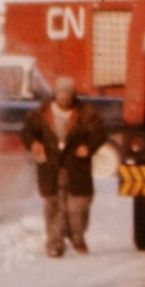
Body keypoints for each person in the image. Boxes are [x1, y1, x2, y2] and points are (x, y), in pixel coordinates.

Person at [21, 75, 104, 257]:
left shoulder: (86, 113)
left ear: (74, 96)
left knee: (78, 206)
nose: (65, 101)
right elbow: (27, 132)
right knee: (54, 206)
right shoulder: (41, 113)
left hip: (77, 166)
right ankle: (55, 244)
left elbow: (99, 133)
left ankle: (77, 237)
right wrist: (34, 143)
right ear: (56, 95)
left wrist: (88, 146)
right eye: (62, 97)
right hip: (51, 166)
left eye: (69, 97)